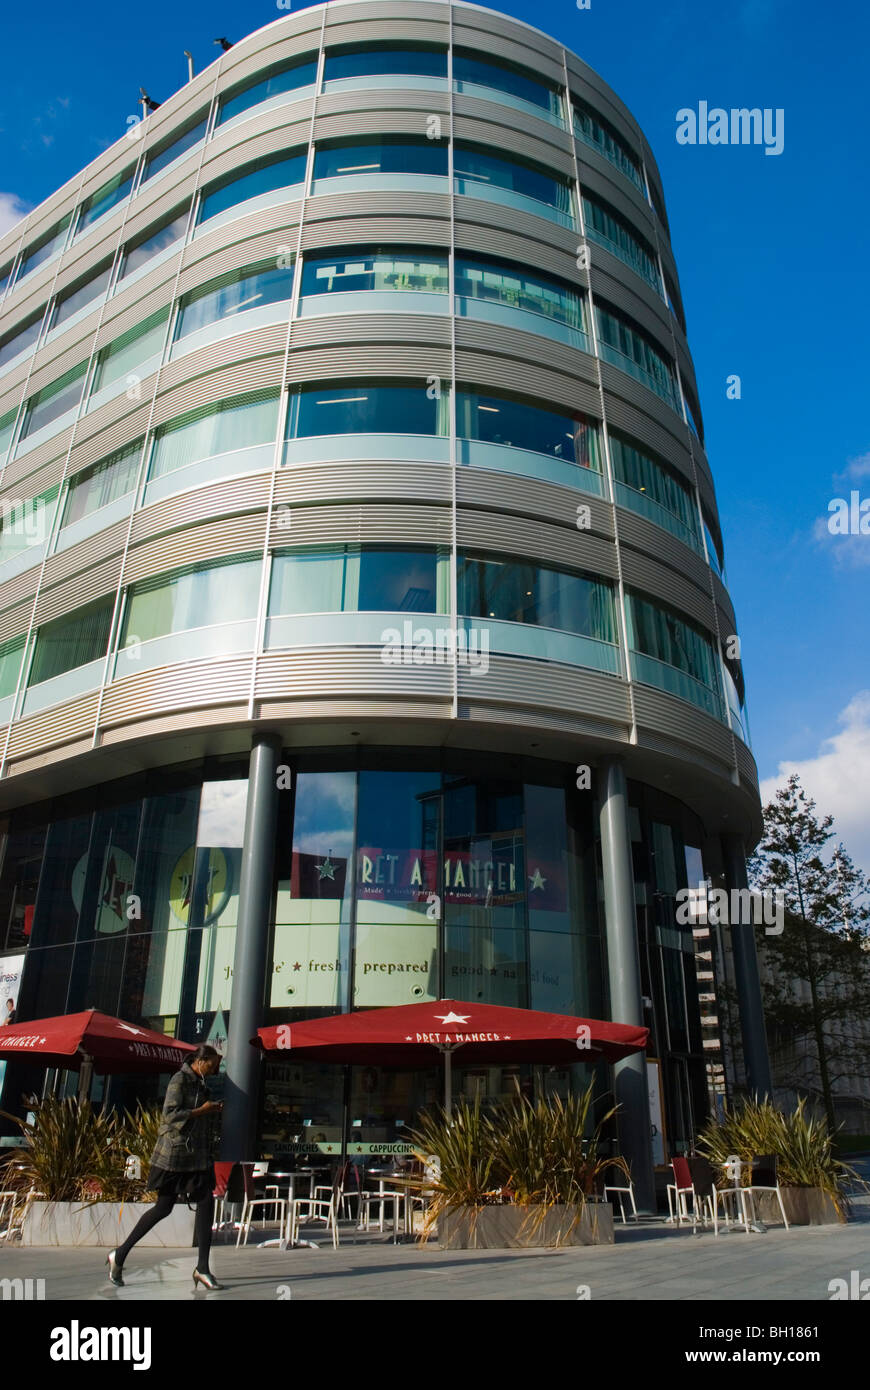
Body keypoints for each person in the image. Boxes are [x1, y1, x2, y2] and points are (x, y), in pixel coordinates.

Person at [106, 1044, 224, 1291]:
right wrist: (201, 1111)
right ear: (200, 1061)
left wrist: (210, 1112)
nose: (213, 1070)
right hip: (175, 1155)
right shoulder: (179, 1080)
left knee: (205, 1203)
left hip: (197, 1156)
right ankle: (120, 1253)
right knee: (163, 1207)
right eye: (211, 1065)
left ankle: (202, 1267)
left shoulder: (201, 1084)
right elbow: (169, 1115)